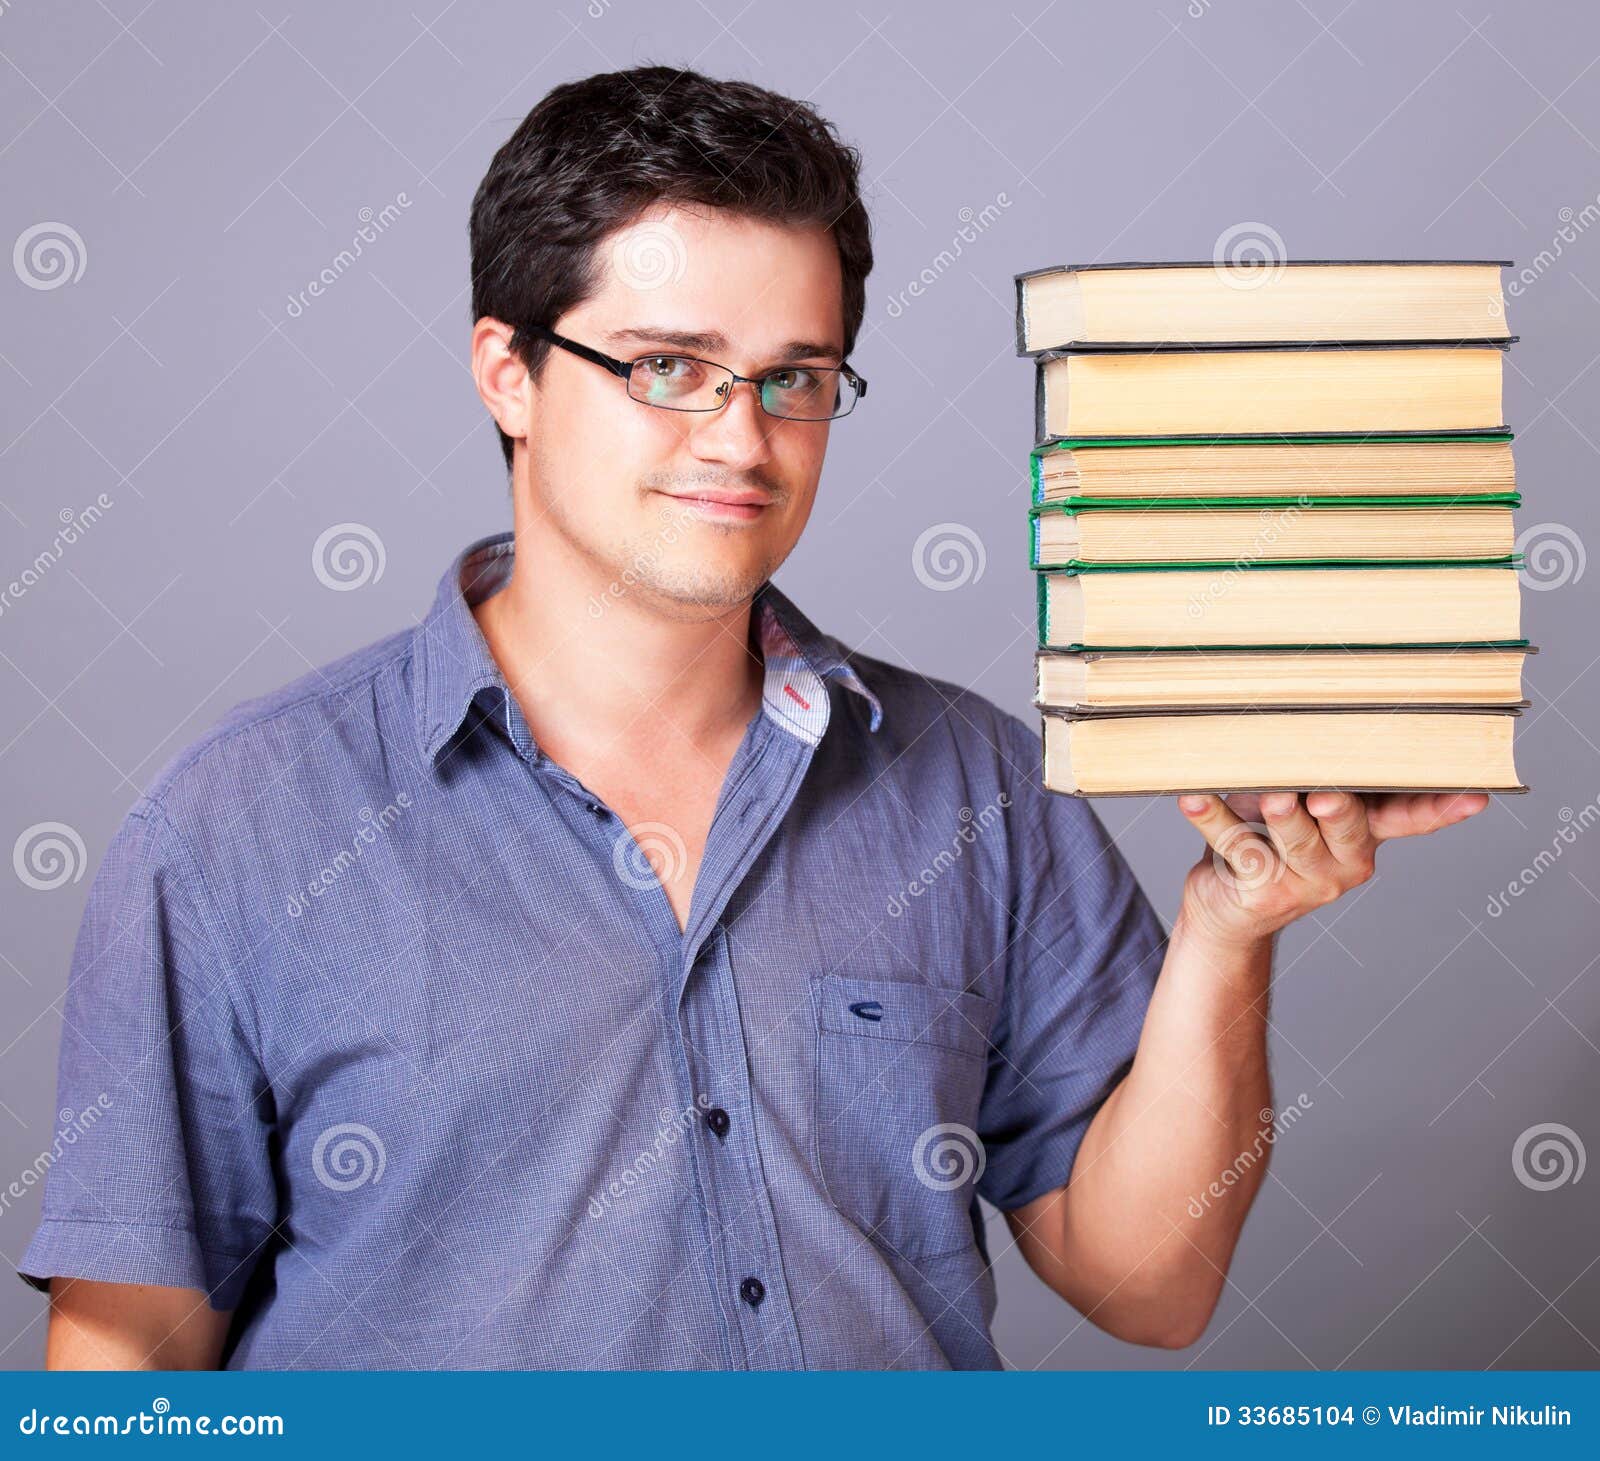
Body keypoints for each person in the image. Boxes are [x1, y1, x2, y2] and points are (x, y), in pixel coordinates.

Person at [18, 65, 1486, 1371]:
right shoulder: (242, 822)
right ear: (508, 372)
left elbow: (1147, 1286)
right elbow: (129, 1349)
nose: (742, 437)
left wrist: (1230, 929)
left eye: (794, 379)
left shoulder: (974, 783)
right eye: (668, 367)